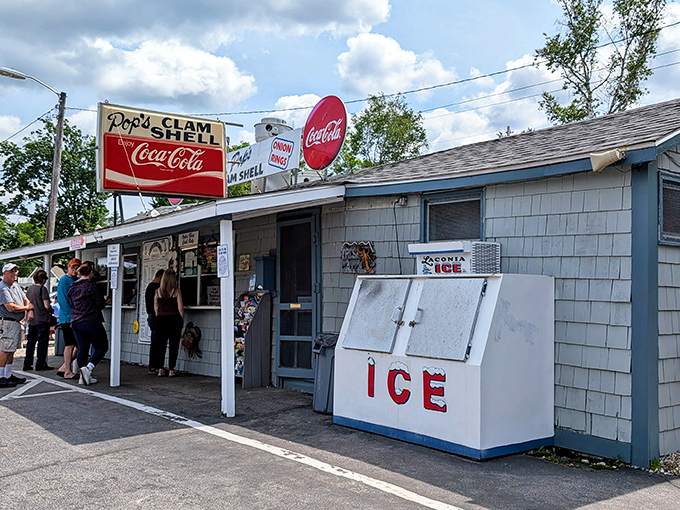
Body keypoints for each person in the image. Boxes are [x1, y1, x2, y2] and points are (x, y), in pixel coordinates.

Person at [68, 261, 108, 385]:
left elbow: (71, 303)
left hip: (76, 322)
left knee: (82, 348)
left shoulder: (73, 287)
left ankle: (83, 377)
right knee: (102, 347)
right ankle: (88, 369)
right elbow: (100, 304)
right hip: (90, 320)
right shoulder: (91, 286)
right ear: (91, 272)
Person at [0, 263, 31, 388]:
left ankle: (7, 375)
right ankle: (1, 376)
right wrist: (27, 308)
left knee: (11, 350)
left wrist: (28, 307)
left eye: (16, 271)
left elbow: (25, 298)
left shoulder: (15, 286)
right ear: (4, 273)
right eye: (11, 271)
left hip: (15, 322)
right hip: (7, 321)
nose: (15, 273)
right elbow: (10, 307)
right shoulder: (3, 288)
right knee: (5, 349)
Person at [152, 268, 184, 377]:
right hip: (174, 319)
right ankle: (171, 369)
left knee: (161, 345)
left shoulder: (158, 291)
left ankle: (160, 368)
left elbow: (156, 308)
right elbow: (180, 308)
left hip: (161, 320)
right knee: (173, 345)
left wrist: (159, 317)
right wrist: (181, 319)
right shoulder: (177, 291)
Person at [24, 269, 53, 371]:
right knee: (42, 342)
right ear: (44, 279)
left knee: (31, 342)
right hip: (42, 319)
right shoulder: (43, 289)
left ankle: (27, 363)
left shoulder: (30, 289)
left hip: (32, 319)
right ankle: (40, 363)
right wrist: (51, 310)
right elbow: (46, 305)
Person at [56, 258, 80, 379]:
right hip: (68, 318)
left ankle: (65, 367)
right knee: (69, 344)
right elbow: (62, 299)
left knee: (78, 345)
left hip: (75, 317)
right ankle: (67, 371)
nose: (75, 270)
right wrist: (70, 316)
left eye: (77, 268)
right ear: (68, 267)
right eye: (73, 267)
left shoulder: (76, 280)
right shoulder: (64, 280)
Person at [145, 269, 164, 375]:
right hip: (156, 316)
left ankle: (155, 365)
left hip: (151, 316)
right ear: (160, 277)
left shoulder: (149, 286)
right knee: (157, 342)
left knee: (156, 341)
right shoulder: (156, 288)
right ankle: (154, 366)